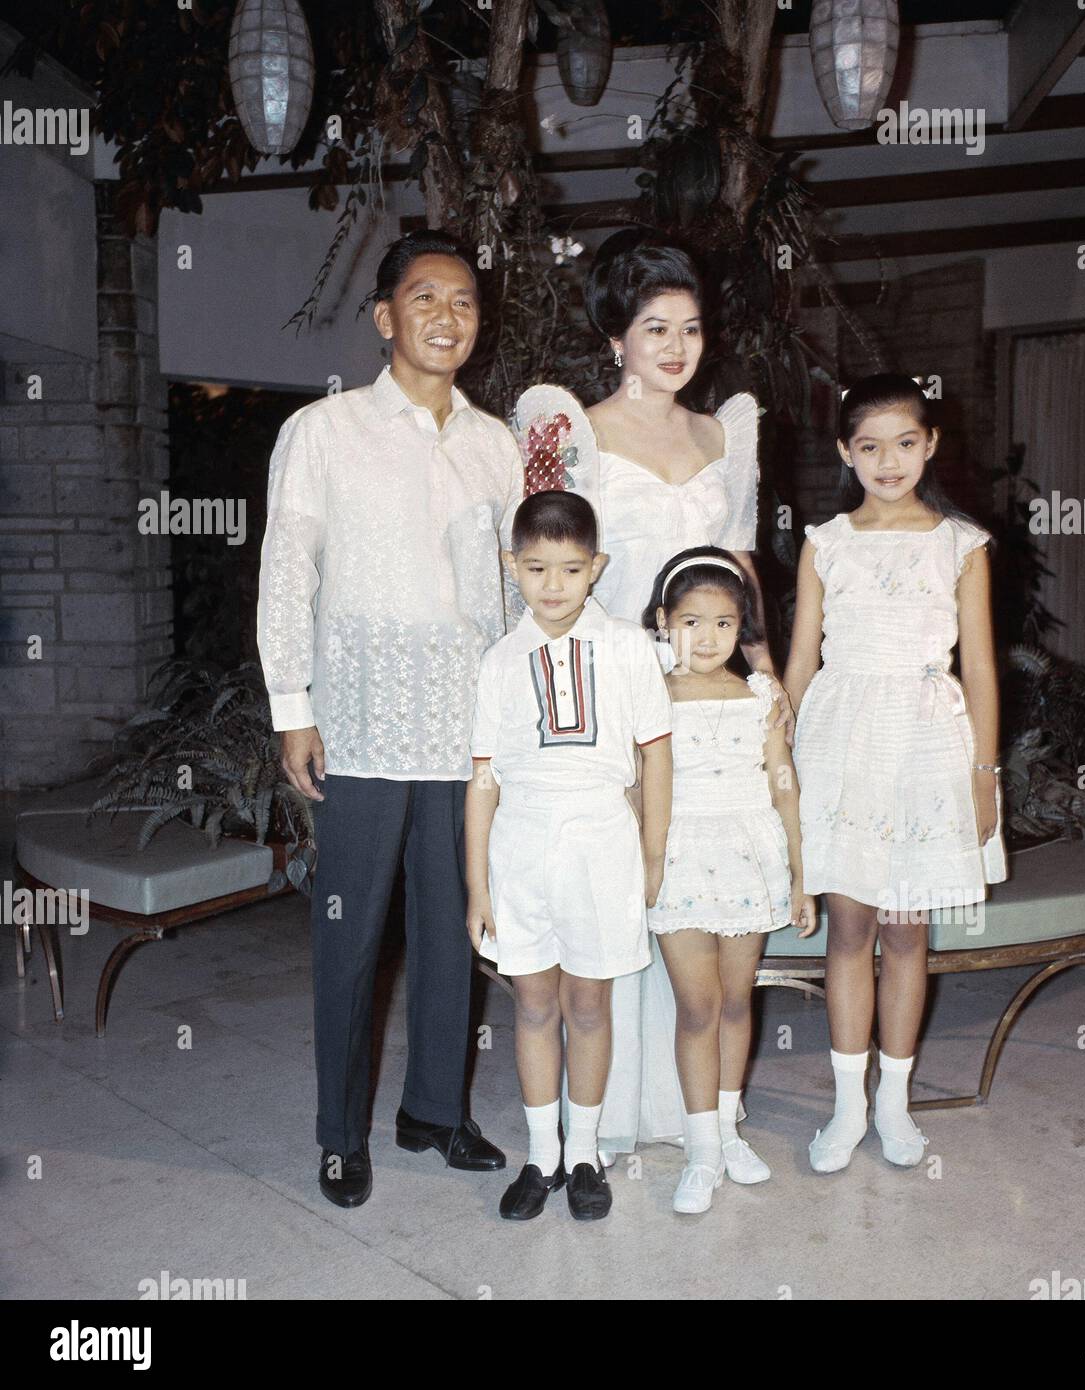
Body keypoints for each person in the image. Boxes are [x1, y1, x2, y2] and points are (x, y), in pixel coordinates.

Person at [510, 233, 791, 1161]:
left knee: (701, 873)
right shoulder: (572, 432)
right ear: (616, 336)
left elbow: (738, 569)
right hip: (611, 692)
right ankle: (612, 1114)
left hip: (705, 695)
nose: (676, 346)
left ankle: (707, 1118)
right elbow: (544, 572)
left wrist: (765, 671)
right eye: (654, 326)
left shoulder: (723, 433)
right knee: (629, 881)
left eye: (692, 327)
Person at [257, 229, 518, 1208]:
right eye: (425, 298)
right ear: (384, 317)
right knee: (348, 932)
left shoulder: (496, 446)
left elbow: (513, 590)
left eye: (463, 301)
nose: (446, 316)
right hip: (360, 722)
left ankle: (435, 1111)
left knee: (454, 926)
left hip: (466, 726)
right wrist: (294, 705)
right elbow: (289, 572)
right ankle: (339, 1133)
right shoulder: (322, 432)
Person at [783, 373, 1007, 1174]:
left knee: (908, 929)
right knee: (850, 926)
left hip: (927, 747)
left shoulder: (961, 544)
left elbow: (980, 668)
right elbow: (801, 664)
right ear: (846, 453)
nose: (889, 461)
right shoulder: (825, 542)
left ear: (931, 445)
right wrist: (777, 763)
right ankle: (845, 1108)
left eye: (905, 443)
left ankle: (895, 1104)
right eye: (869, 446)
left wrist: (984, 771)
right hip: (841, 743)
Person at [464, 490, 673, 1221]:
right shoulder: (499, 660)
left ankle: (584, 1153)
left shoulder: (627, 648)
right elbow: (483, 779)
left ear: (598, 568)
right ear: (510, 567)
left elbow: (655, 756)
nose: (553, 586)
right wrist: (477, 884)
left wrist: (651, 855)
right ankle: (540, 1155)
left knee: (588, 1003)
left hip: (602, 843)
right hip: (521, 847)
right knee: (531, 1004)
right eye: (536, 568)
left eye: (571, 569)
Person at [643, 547, 817, 1213]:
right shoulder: (651, 695)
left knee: (737, 1001)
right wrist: (645, 861)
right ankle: (701, 1149)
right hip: (681, 854)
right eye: (692, 621)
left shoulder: (760, 695)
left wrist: (803, 874)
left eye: (723, 622)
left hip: (750, 853)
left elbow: (784, 784)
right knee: (698, 1007)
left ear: (741, 625)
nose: (708, 637)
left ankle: (727, 1126)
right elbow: (638, 788)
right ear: (665, 621)